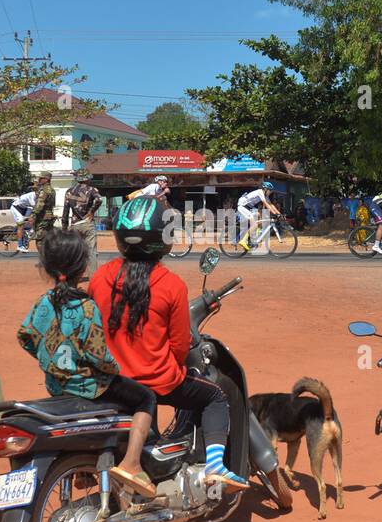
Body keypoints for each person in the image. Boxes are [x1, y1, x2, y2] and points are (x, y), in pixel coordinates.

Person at [89, 196, 248, 490]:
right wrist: (171, 367)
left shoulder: (100, 277)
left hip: (109, 381)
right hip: (156, 381)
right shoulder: (171, 285)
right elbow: (179, 345)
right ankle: (215, 465)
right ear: (164, 238)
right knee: (215, 397)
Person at [18, 229, 157, 497]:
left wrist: (49, 360)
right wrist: (114, 369)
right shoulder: (86, 307)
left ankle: (83, 469)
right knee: (145, 398)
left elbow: (25, 336)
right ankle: (132, 462)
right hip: (89, 386)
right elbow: (98, 356)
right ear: (81, 266)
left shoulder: (43, 303)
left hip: (56, 386)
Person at [62, 170, 103, 273]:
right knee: (91, 251)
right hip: (87, 223)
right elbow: (99, 200)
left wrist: (64, 228)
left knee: (74, 251)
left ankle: (72, 276)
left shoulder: (69, 191)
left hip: (74, 225)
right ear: (87, 178)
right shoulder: (92, 190)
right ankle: (93, 277)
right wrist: (91, 211)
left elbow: (65, 211)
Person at [236, 181, 283, 251]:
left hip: (248, 208)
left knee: (259, 216)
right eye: (270, 190)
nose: (270, 192)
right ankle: (243, 241)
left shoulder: (265, 195)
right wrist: (274, 213)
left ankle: (255, 237)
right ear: (265, 189)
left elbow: (271, 204)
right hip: (242, 206)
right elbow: (266, 205)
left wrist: (279, 214)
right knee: (254, 224)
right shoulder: (260, 192)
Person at [30, 172, 57, 245]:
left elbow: (40, 203)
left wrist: (33, 215)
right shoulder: (51, 189)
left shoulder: (44, 190)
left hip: (42, 217)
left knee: (40, 240)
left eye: (41, 178)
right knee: (48, 238)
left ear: (46, 179)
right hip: (49, 216)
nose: (39, 180)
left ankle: (43, 255)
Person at [9, 188, 37, 252]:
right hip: (16, 207)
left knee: (33, 217)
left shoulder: (39, 197)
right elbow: (36, 208)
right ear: (35, 192)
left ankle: (28, 231)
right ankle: (20, 245)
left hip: (25, 207)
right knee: (21, 223)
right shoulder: (31, 196)